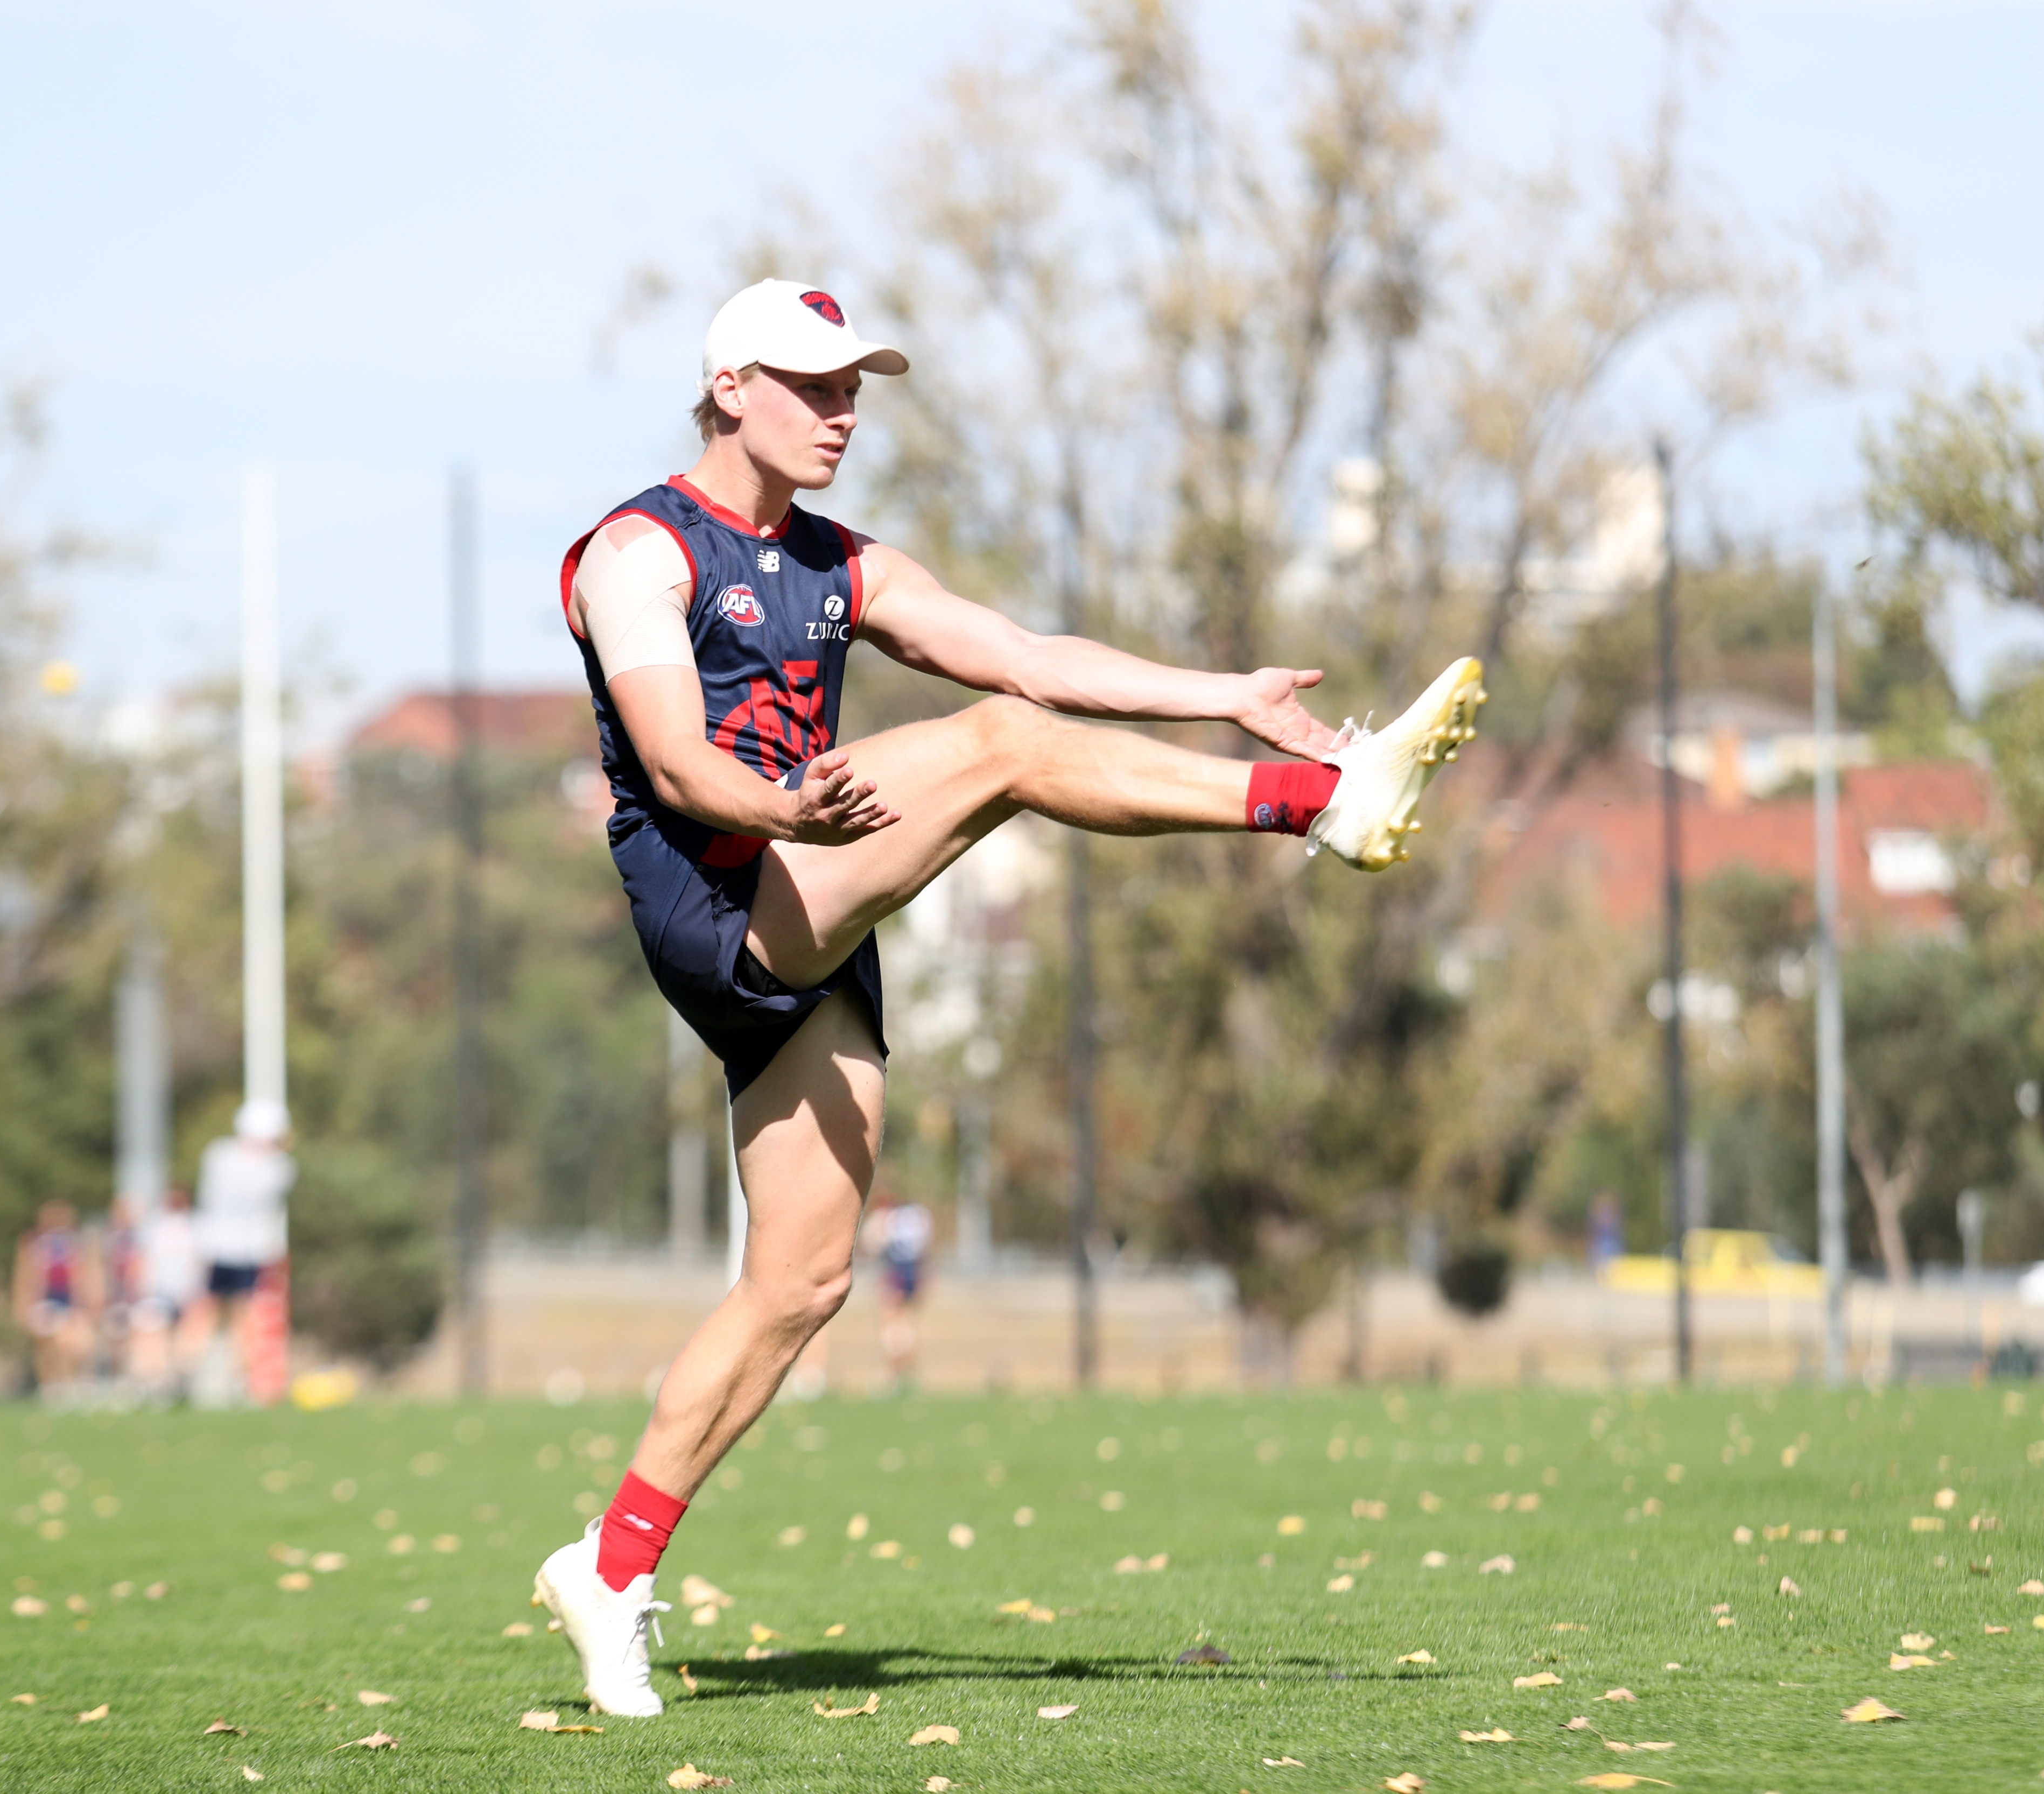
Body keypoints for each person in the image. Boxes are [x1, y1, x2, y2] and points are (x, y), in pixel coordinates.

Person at [528, 278, 1486, 1718]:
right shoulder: (637, 552)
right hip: (722, 893)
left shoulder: (841, 562)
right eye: (812, 384)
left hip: (813, 898)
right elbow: (674, 762)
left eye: (854, 387)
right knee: (999, 751)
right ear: (729, 387)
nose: (842, 410)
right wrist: (784, 809)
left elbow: (1035, 658)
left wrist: (1225, 690)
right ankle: (1319, 803)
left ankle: (611, 1568)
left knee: (803, 1280)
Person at [181, 1103, 296, 1402]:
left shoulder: (220, 1155)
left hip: (220, 1246)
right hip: (245, 1249)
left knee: (216, 1315)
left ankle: (198, 1378)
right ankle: (231, 1381)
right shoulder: (277, 1166)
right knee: (237, 1317)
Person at [13, 1200, 101, 1395]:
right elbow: (24, 1277)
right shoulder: (33, 1243)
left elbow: (88, 1274)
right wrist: (23, 1305)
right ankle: (52, 1384)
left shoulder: (78, 1242)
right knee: (50, 1346)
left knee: (78, 1345)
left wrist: (91, 1298)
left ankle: (76, 1382)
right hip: (45, 1301)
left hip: (73, 1302)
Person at [128, 1185, 202, 1392]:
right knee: (155, 1336)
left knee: (181, 1340)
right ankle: (157, 1380)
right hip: (159, 1292)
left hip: (184, 1293)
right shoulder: (156, 1227)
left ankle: (175, 1379)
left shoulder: (192, 1227)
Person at [864, 1186, 933, 1387]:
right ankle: (908, 1371)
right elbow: (925, 1247)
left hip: (894, 1272)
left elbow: (873, 1246)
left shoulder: (886, 1218)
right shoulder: (919, 1215)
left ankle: (894, 1372)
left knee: (890, 1322)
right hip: (914, 1272)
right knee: (906, 1322)